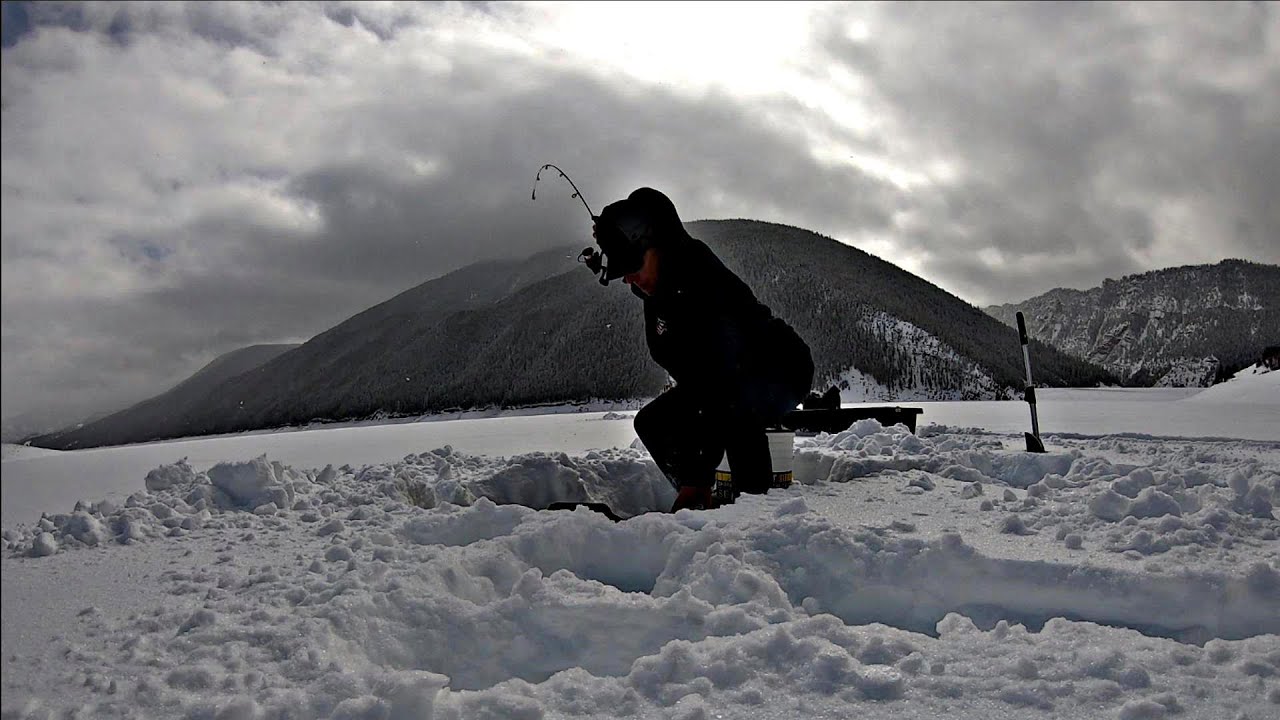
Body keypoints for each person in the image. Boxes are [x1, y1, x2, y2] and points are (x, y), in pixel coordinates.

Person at [590, 187, 814, 512]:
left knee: (738, 413)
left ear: (659, 245)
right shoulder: (660, 295)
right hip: (727, 379)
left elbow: (721, 382)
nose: (629, 278)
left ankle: (760, 517)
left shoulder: (700, 282)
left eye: (634, 265)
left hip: (781, 365)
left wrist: (698, 474)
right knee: (653, 422)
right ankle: (699, 505)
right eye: (623, 270)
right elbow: (699, 384)